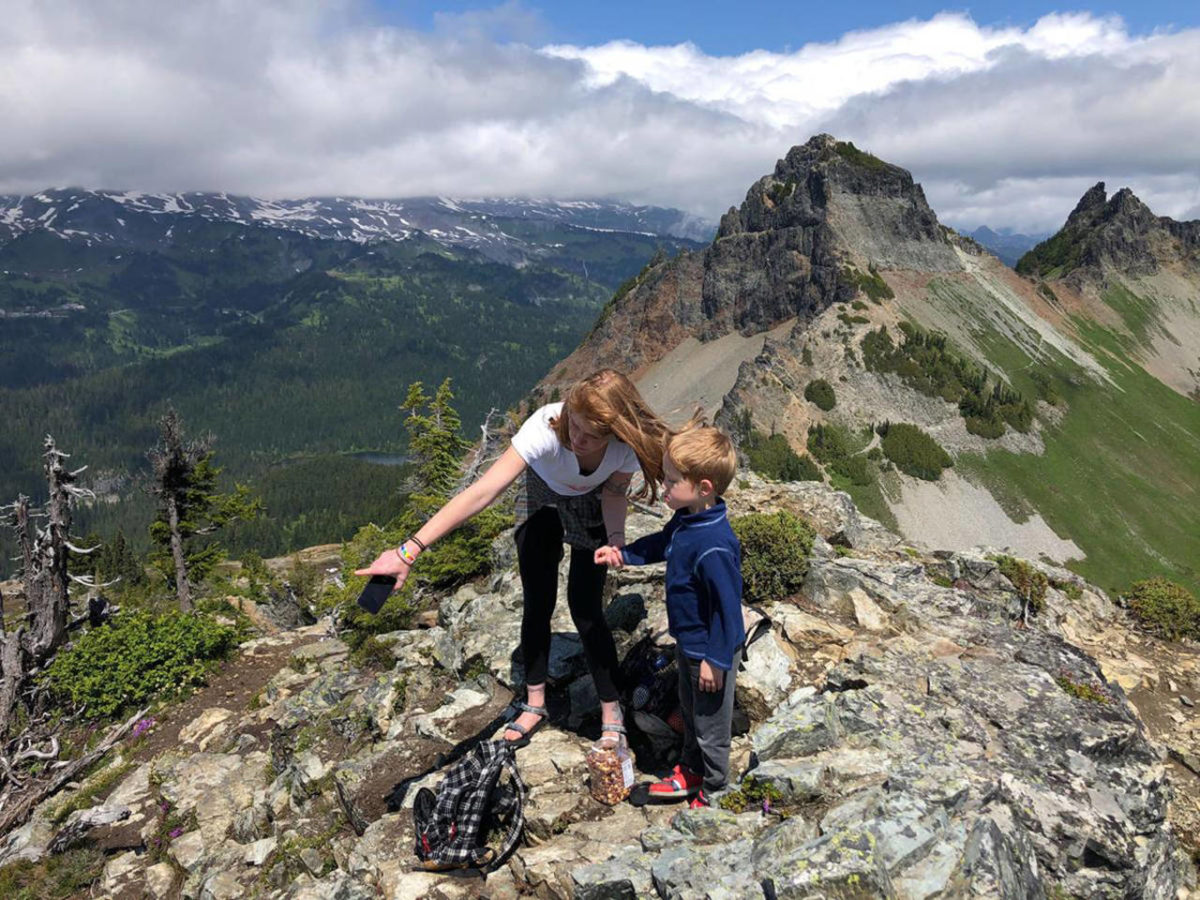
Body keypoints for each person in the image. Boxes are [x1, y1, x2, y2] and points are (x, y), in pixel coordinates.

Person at [356, 369, 667, 747]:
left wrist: (616, 538)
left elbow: (615, 493)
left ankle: (610, 706)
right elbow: (483, 491)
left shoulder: (624, 445)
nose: (578, 440)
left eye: (591, 436)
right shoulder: (546, 428)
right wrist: (409, 550)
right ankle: (535, 702)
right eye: (575, 426)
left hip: (592, 499)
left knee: (586, 607)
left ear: (615, 431)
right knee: (538, 600)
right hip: (539, 493)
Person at [594, 424, 743, 808]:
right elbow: (662, 543)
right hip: (689, 644)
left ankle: (714, 791)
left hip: (711, 651)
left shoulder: (714, 545)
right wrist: (623, 555)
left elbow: (728, 612)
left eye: (673, 481)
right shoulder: (688, 520)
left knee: (711, 726)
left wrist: (716, 660)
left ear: (704, 487)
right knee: (691, 714)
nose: (664, 487)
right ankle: (692, 770)